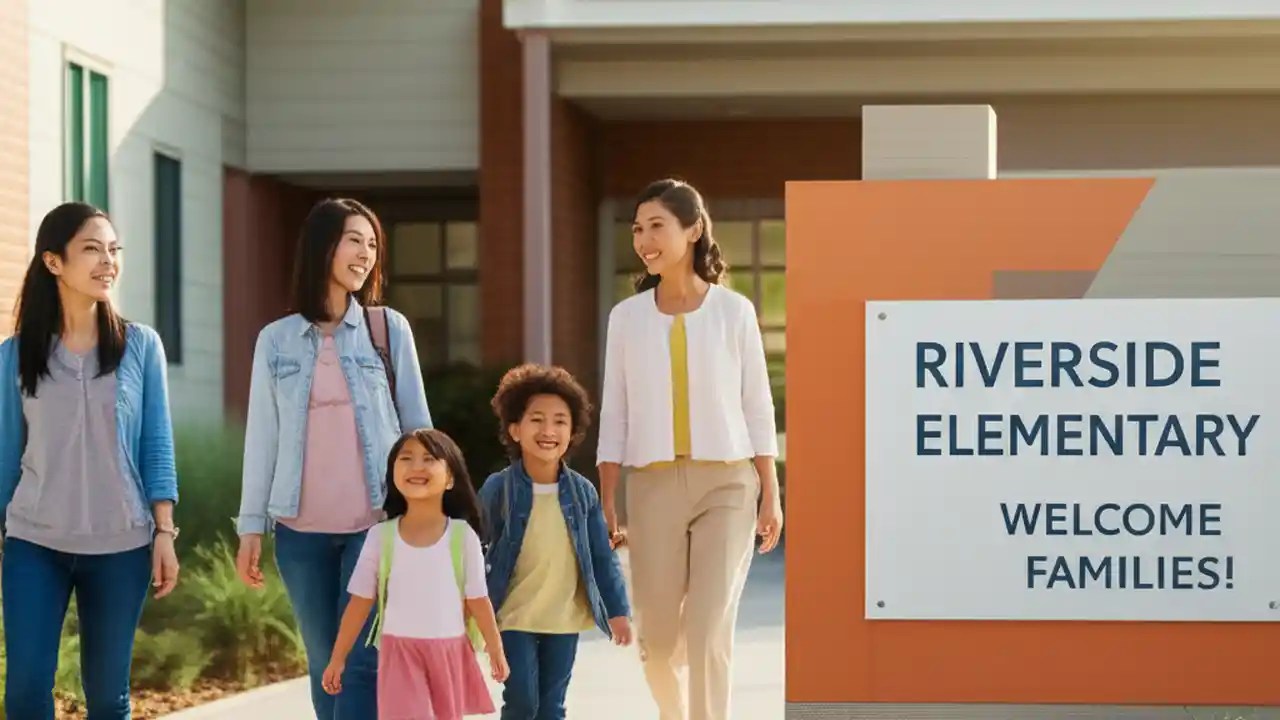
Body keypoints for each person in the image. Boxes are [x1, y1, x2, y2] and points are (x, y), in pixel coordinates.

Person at [235, 197, 432, 719]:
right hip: (300, 531)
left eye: (372, 245)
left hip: (373, 523)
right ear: (324, 246)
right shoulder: (275, 342)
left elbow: (419, 432)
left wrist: (429, 515)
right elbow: (262, 439)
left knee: (361, 660)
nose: (366, 254)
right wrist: (250, 526)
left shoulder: (388, 330)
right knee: (325, 661)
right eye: (354, 240)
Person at [596, 178, 784, 720]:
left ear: (693, 229)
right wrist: (609, 500)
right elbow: (616, 414)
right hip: (653, 487)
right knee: (656, 645)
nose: (644, 238)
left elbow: (757, 406)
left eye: (656, 225)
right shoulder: (626, 319)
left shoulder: (734, 312)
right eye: (637, 228)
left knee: (705, 631)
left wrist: (769, 493)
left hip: (727, 484)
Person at [0, 202, 181, 719]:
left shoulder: (139, 346)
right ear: (54, 262)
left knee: (108, 697)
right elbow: (5, 455)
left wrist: (164, 532)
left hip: (121, 545)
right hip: (35, 543)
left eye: (113, 249)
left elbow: (156, 446)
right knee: (27, 692)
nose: (108, 261)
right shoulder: (14, 356)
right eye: (92, 249)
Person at [478, 363, 633, 720]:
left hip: (563, 616)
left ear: (572, 432)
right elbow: (471, 549)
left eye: (560, 421)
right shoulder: (498, 489)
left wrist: (619, 611)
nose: (548, 430)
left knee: (551, 707)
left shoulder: (582, 493)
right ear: (515, 430)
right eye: (537, 419)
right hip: (512, 614)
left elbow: (601, 556)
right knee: (522, 701)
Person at [322, 428, 508, 720]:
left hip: (449, 652)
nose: (416, 466)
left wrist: (495, 649)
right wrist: (337, 658)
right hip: (399, 654)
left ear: (450, 478)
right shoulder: (380, 537)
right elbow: (358, 603)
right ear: (393, 474)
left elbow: (478, 600)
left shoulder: (462, 537)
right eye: (406, 458)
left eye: (429, 458)